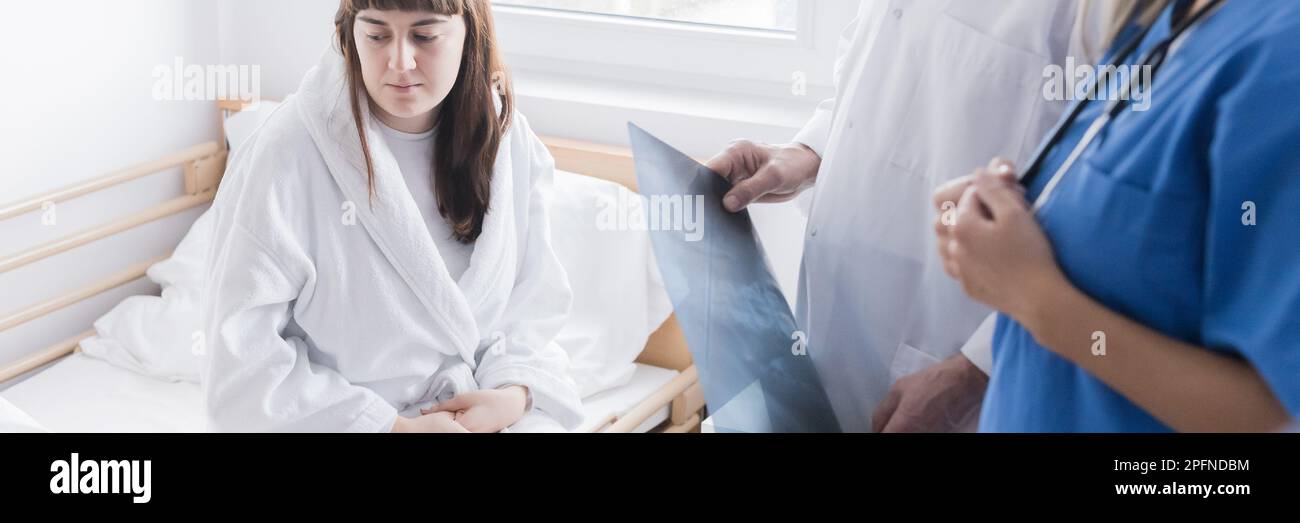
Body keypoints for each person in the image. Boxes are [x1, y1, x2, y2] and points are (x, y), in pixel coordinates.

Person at [705, 0, 1110, 432]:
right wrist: (809, 153)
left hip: (952, 376)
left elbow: (1103, 219)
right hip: (829, 343)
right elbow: (879, 71)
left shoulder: (1093, 11)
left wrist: (976, 369)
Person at [201, 0, 582, 433]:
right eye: (377, 34)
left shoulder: (506, 141)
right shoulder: (285, 156)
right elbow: (240, 368)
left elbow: (533, 302)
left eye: (425, 36)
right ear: (349, 32)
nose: (400, 62)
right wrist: (392, 427)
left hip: (485, 411)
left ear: (469, 33)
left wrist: (514, 393)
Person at [935, 0, 1300, 432]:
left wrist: (1036, 299)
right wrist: (999, 219)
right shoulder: (1165, 19)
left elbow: (1268, 417)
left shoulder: (1282, 57)